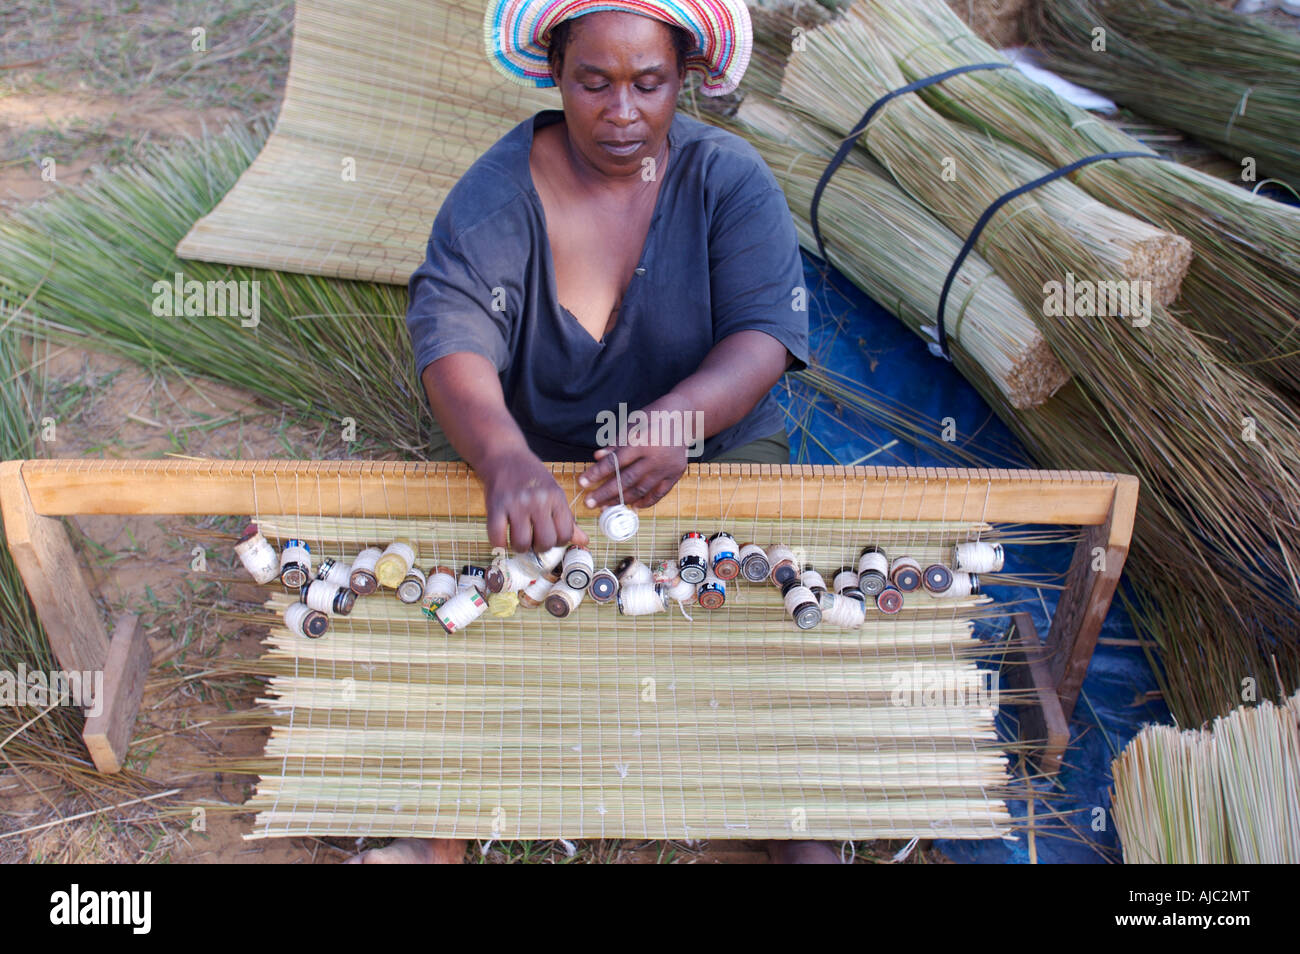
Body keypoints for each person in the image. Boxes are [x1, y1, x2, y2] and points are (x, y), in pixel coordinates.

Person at [349, 0, 837, 864]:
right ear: (554, 75)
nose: (622, 113)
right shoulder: (496, 200)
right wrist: (504, 459)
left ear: (685, 78)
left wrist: (681, 419)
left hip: (715, 448)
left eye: (649, 84)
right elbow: (453, 335)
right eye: (594, 83)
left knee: (750, 613)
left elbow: (764, 334)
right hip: (548, 463)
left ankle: (781, 818)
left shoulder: (727, 180)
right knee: (477, 610)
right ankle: (436, 836)